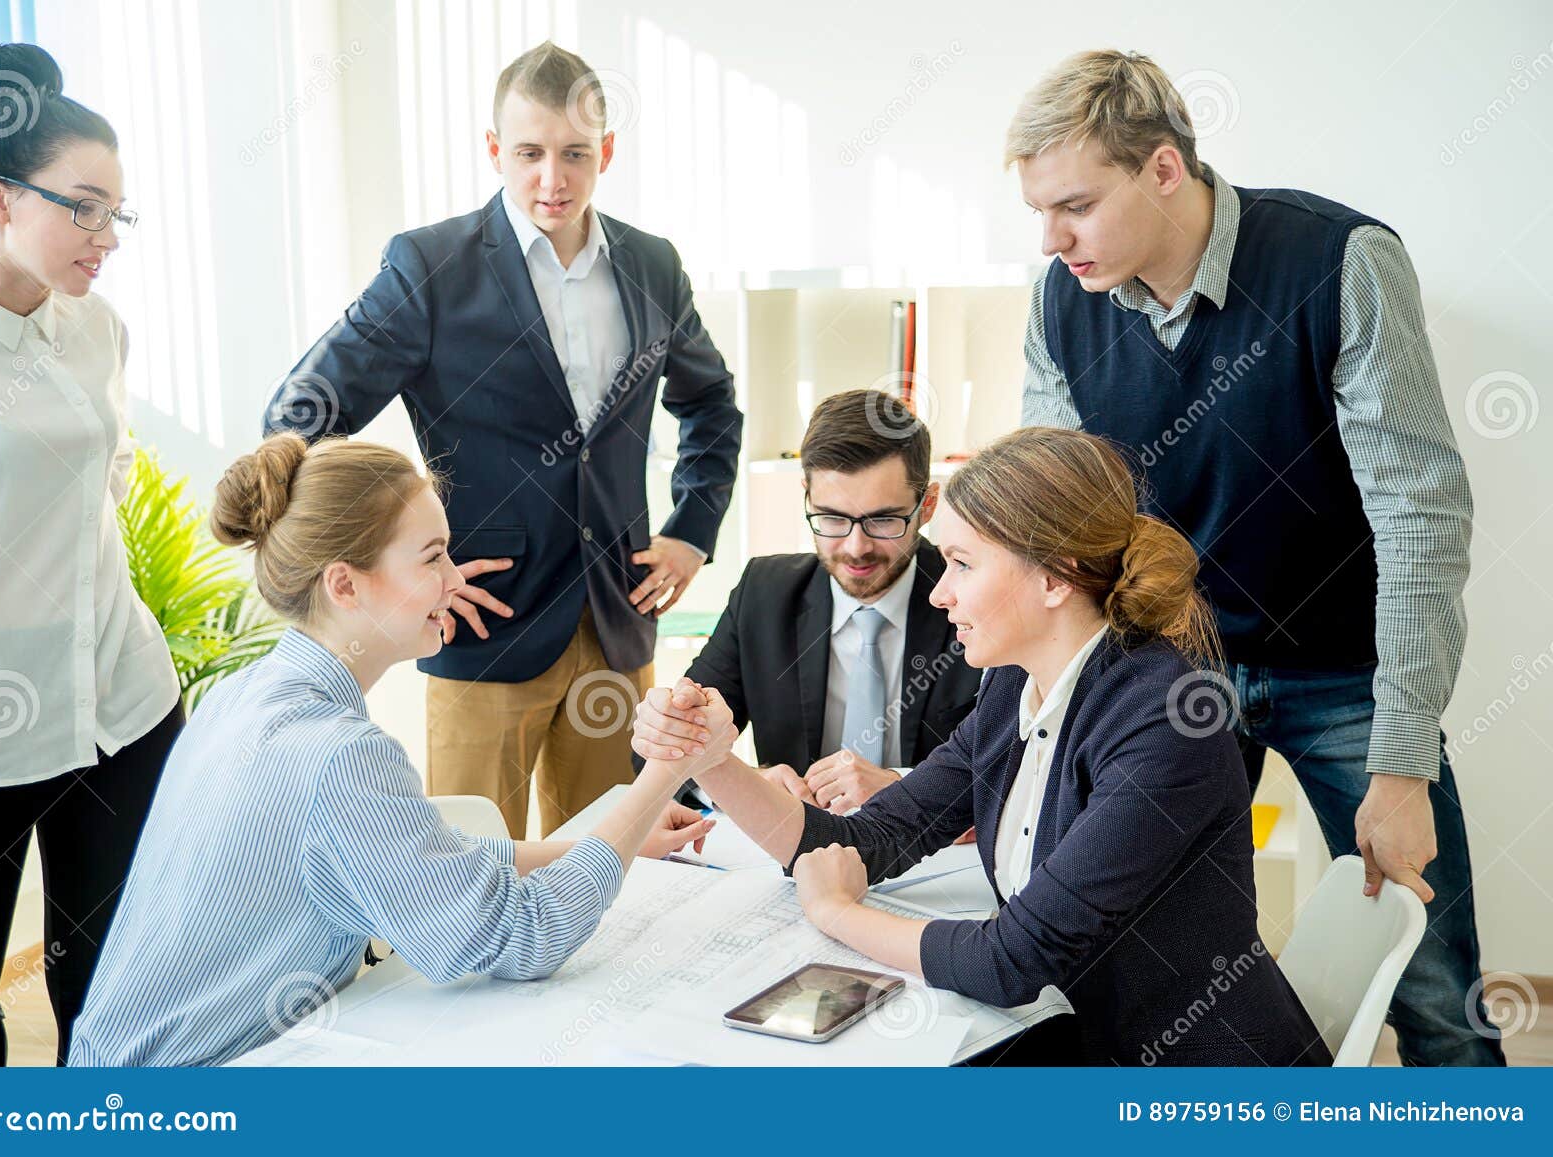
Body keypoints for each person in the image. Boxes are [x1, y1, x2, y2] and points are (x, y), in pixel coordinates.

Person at [1009, 50, 1498, 1064]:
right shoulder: (1061, 300)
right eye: (1040, 212)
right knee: (1128, 959)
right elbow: (1056, 525)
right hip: (1173, 670)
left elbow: (1420, 516)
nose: (1053, 239)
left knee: (1436, 995)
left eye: (1075, 206)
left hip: (1343, 674)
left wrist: (1401, 764)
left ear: (1162, 169)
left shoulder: (1338, 261)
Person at [634, 427, 1332, 1067]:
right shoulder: (1013, 686)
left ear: (1056, 576)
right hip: (1070, 1040)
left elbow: (1012, 960)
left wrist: (838, 913)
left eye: (962, 564)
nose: (939, 594)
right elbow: (868, 839)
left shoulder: (1165, 723)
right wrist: (711, 758)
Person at [69, 434, 719, 1067]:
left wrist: (608, 841)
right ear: (345, 585)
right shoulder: (336, 753)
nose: (455, 579)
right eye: (432, 558)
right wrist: (666, 770)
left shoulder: (242, 695)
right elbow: (523, 936)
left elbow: (423, 861)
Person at [262, 41, 742, 840]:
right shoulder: (430, 265)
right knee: (470, 869)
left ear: (605, 153)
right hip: (484, 628)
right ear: (494, 150)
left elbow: (713, 403)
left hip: (616, 620)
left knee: (622, 867)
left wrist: (692, 532)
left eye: (574, 153)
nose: (552, 178)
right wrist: (409, 563)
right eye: (528, 153)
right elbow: (298, 419)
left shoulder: (653, 265)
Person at [0, 43, 181, 1066]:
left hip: (121, 704)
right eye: (84, 208)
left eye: (118, 212)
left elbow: (108, 480)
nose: (108, 237)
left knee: (118, 999)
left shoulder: (97, 329)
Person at [648, 389, 980, 815]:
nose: (856, 548)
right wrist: (740, 784)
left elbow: (1021, 767)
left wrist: (907, 787)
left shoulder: (974, 597)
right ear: (806, 494)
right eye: (832, 518)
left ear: (927, 505)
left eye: (883, 520)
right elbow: (667, 753)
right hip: (794, 843)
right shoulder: (764, 593)